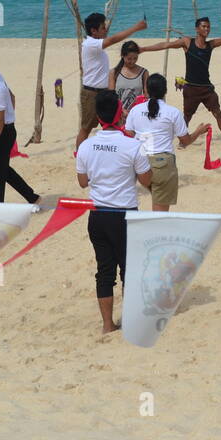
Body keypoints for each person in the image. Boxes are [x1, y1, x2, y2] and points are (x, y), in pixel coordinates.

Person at [76, 89, 152, 334]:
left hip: (98, 215)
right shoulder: (132, 145)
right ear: (120, 113)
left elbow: (82, 181)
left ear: (98, 115)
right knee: (129, 269)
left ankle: (107, 324)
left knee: (104, 270)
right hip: (125, 214)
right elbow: (146, 179)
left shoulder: (86, 146)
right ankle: (130, 320)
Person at [139, 15, 221, 144]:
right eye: (204, 26)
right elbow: (166, 45)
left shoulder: (210, 44)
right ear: (197, 29)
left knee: (218, 113)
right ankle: (182, 141)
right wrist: (144, 49)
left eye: (208, 27)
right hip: (191, 89)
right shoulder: (187, 42)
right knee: (187, 117)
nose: (207, 29)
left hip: (207, 88)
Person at [125, 74, 208, 211]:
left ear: (146, 90)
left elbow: (129, 134)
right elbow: (185, 141)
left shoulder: (135, 110)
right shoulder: (173, 112)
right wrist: (199, 131)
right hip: (162, 163)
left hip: (139, 163)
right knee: (160, 214)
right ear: (165, 91)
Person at [0, 48, 42, 207]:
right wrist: (10, 114)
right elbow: (12, 96)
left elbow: (0, 121)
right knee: (3, 171)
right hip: (2, 130)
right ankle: (33, 198)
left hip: (2, 132)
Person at [78, 12, 148, 145]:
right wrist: (136, 28)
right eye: (103, 27)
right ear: (93, 30)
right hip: (91, 92)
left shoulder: (96, 44)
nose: (106, 30)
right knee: (86, 128)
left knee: (111, 125)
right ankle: (79, 155)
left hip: (103, 92)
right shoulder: (90, 44)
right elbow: (113, 40)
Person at [108, 41, 149, 115]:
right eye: (129, 59)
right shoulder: (114, 72)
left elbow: (147, 95)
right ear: (122, 56)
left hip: (137, 114)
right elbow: (111, 96)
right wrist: (122, 110)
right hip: (117, 115)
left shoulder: (144, 72)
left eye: (135, 58)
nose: (132, 61)